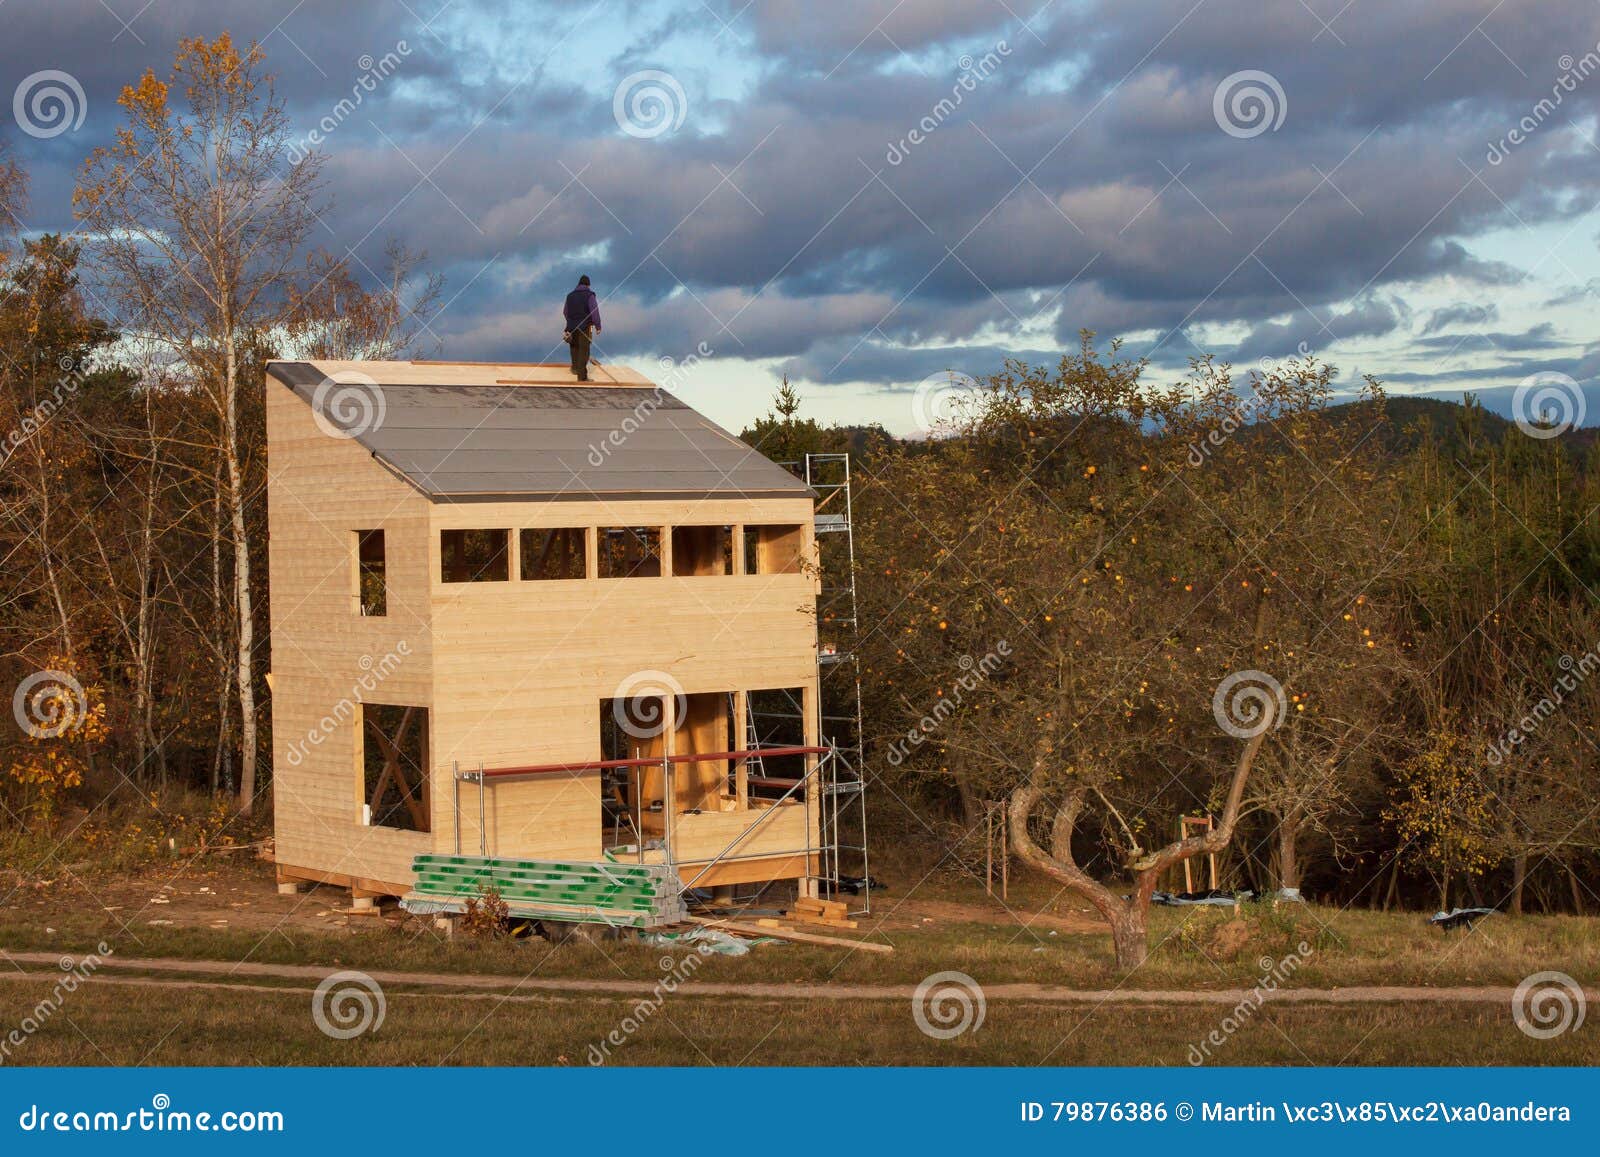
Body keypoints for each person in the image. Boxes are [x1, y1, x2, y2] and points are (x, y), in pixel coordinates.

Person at [563, 275, 602, 381]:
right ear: (588, 285)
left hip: (571, 327)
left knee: (574, 347)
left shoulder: (569, 296)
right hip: (585, 326)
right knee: (584, 350)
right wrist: (598, 326)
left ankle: (575, 368)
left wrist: (570, 321)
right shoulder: (590, 295)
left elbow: (565, 312)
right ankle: (582, 377)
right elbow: (594, 312)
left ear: (578, 284)